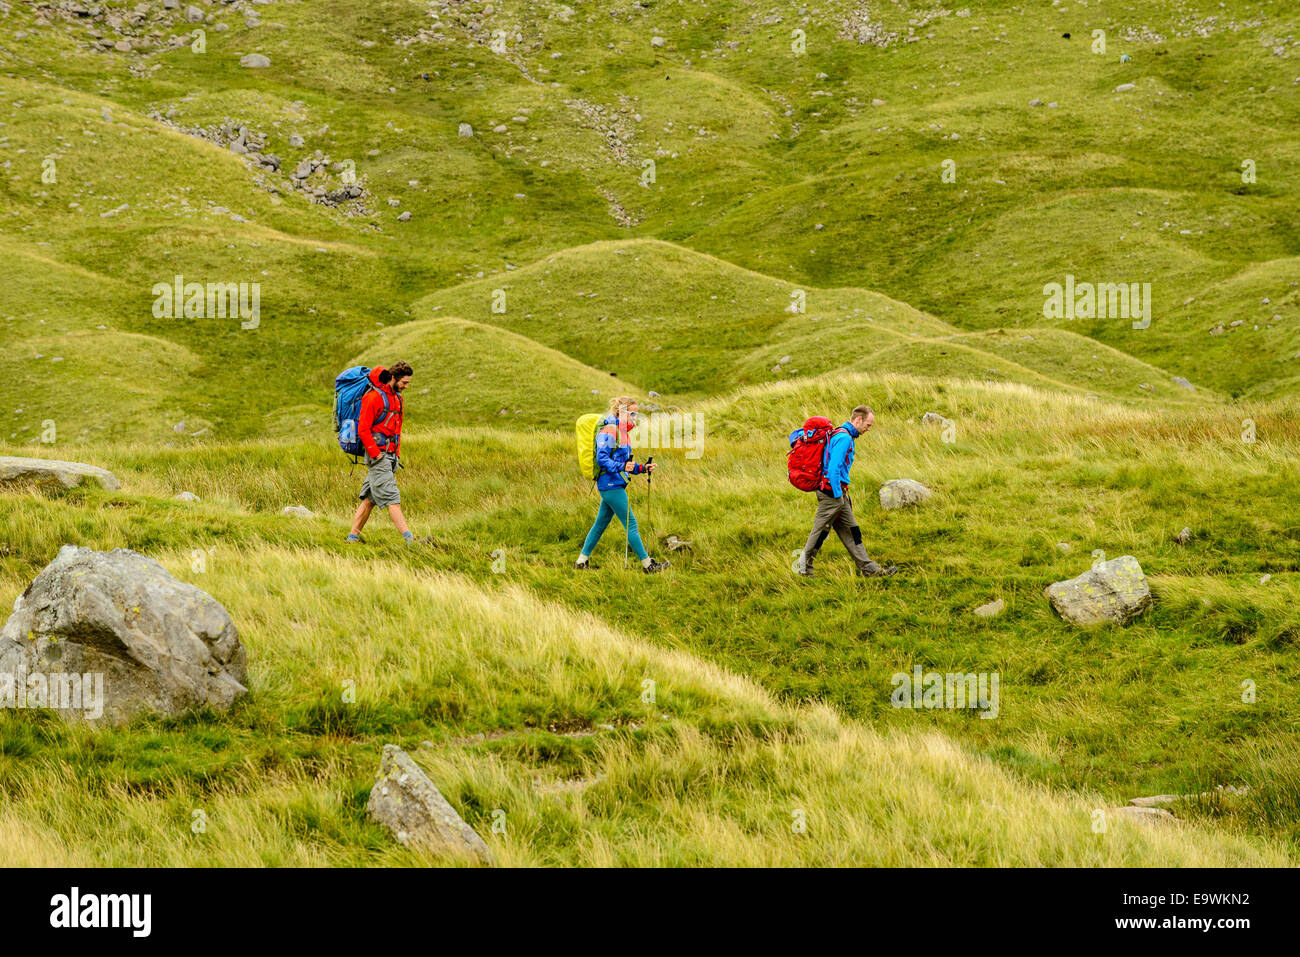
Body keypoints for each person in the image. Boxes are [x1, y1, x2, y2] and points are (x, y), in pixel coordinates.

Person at [794, 404, 897, 578]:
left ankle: (869, 569)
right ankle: (803, 568)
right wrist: (836, 495)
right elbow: (833, 469)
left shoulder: (841, 435)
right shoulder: (844, 438)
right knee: (820, 531)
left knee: (852, 531)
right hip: (831, 494)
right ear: (858, 420)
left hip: (837, 493)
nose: (868, 429)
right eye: (868, 425)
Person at [575, 396, 669, 573]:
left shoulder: (623, 432)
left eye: (636, 414)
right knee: (631, 525)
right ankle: (648, 565)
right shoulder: (610, 431)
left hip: (615, 483)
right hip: (611, 485)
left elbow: (625, 464)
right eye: (632, 413)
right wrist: (622, 466)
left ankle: (581, 562)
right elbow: (602, 459)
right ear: (622, 412)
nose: (635, 417)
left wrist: (642, 468)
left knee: (600, 525)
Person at [346, 361, 414, 544]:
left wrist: (396, 455)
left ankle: (352, 538)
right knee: (393, 498)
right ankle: (410, 540)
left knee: (369, 499)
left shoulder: (398, 398)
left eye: (408, 383)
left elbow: (397, 429)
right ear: (393, 378)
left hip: (390, 456)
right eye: (404, 383)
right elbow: (363, 430)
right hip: (378, 455)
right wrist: (376, 455)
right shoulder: (373, 397)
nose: (406, 387)